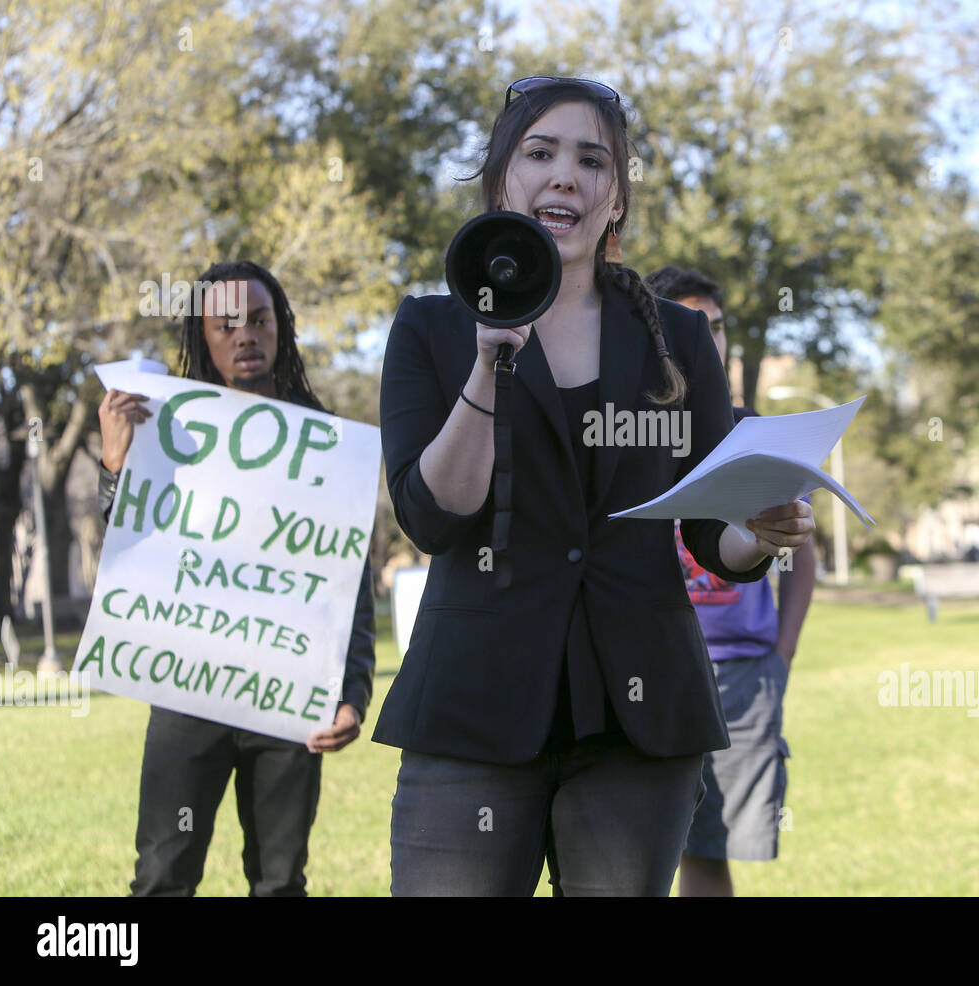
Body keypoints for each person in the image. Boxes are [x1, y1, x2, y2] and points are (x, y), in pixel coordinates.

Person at [372, 76, 816, 897]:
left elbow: (712, 531)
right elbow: (433, 517)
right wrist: (487, 362)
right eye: (540, 154)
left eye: (592, 160)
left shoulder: (677, 337)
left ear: (616, 197)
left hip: (638, 725)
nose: (565, 176)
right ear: (502, 177)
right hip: (471, 709)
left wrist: (759, 530)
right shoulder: (431, 329)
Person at [96, 260, 376, 897]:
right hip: (186, 686)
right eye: (225, 325)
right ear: (202, 338)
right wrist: (116, 464)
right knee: (163, 877)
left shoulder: (327, 447)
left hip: (288, 696)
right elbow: (127, 554)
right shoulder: (161, 435)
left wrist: (353, 690)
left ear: (280, 329)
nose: (244, 333)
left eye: (258, 318)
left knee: (279, 883)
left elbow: (350, 586)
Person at [645, 266, 817, 897]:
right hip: (653, 668)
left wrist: (783, 652)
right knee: (635, 846)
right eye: (690, 325)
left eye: (715, 328)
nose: (707, 340)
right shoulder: (627, 427)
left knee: (711, 851)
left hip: (743, 676)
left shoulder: (752, 432)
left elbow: (803, 550)